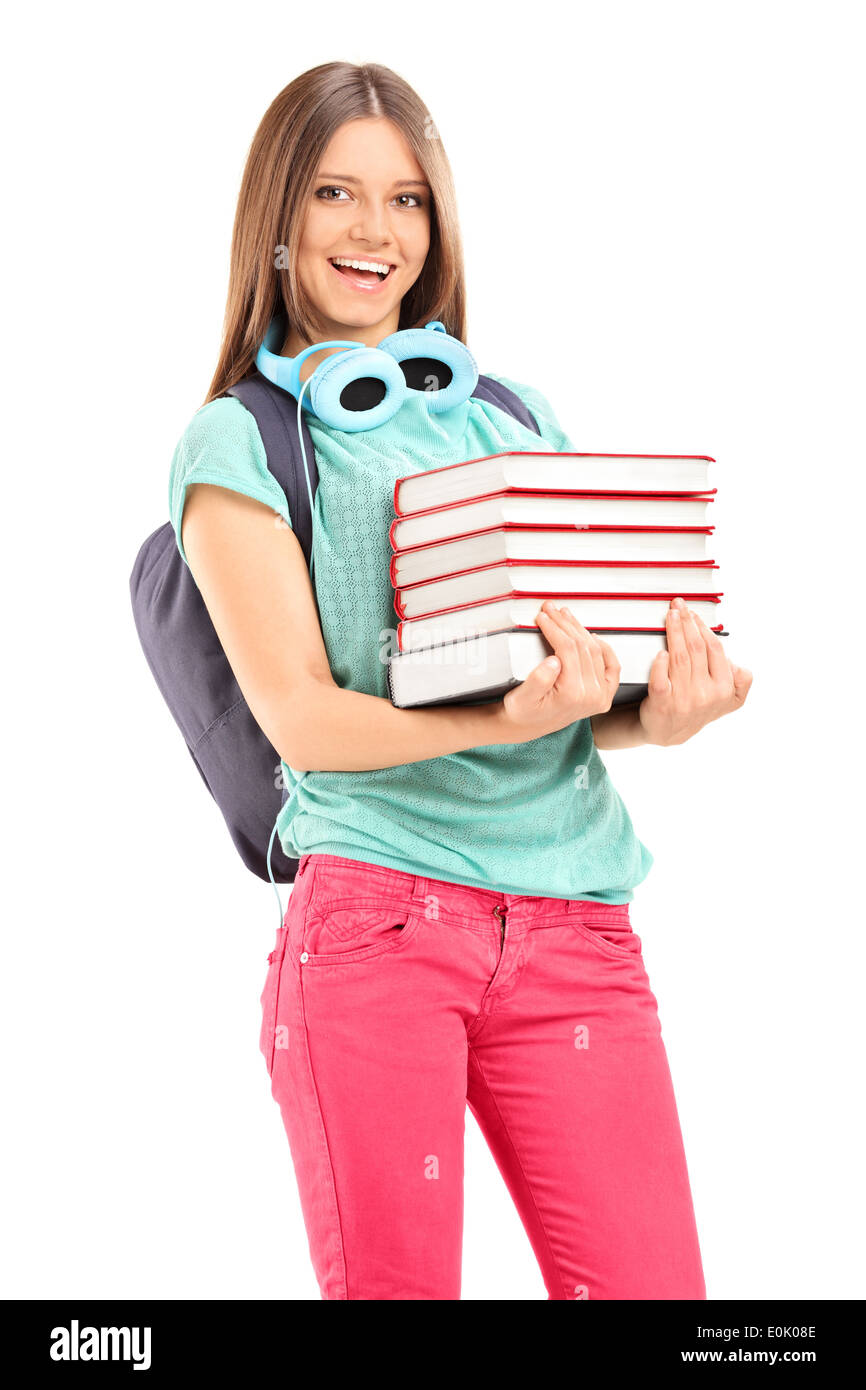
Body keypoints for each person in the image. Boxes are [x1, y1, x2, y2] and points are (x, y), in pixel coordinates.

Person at [169, 61, 752, 1301]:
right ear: (277, 221)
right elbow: (306, 723)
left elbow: (566, 695)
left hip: (575, 924)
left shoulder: (515, 419)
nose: (374, 232)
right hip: (378, 926)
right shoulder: (240, 443)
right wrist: (503, 713)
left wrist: (658, 706)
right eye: (334, 193)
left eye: (406, 200)